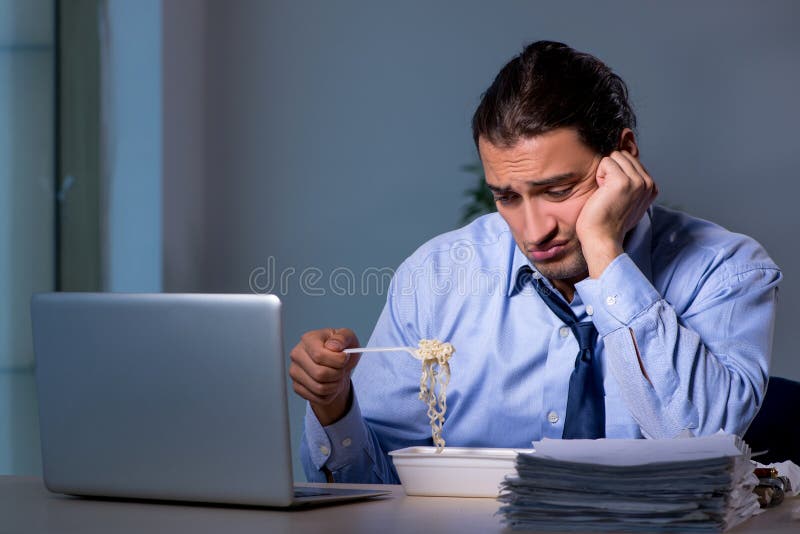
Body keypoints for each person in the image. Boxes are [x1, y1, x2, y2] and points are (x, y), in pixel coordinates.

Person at [289, 41, 782, 484]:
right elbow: (376, 490)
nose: (533, 231)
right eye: (506, 197)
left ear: (624, 157)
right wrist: (334, 407)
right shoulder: (435, 277)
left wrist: (604, 255)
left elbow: (698, 447)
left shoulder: (728, 270)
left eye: (559, 190)